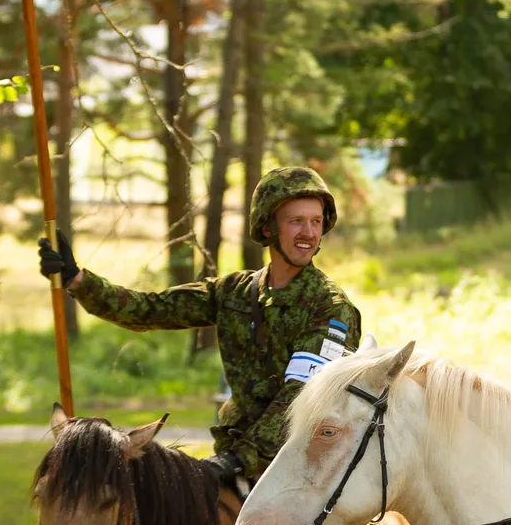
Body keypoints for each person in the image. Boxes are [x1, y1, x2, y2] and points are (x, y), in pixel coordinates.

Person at [38, 165, 362, 490]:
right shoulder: (233, 292)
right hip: (237, 465)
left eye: (316, 222)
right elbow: (151, 309)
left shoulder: (329, 307)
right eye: (296, 221)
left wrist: (235, 461)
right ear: (267, 228)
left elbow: (301, 399)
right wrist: (77, 280)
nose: (308, 232)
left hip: (305, 474)